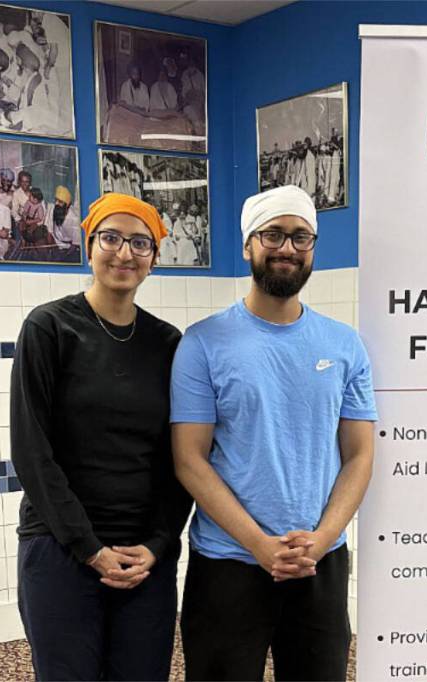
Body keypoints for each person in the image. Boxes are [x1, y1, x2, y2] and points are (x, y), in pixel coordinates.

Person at [171, 185, 377, 681]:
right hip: (229, 561)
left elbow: (359, 455)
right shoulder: (203, 343)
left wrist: (322, 539)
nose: (287, 247)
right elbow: (189, 460)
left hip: (318, 561)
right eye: (273, 235)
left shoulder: (344, 345)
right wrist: (259, 544)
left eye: (300, 237)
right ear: (248, 245)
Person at [11, 193, 192, 681]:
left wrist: (158, 543)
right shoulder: (49, 328)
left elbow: (181, 458)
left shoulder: (168, 344)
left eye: (140, 243)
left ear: (154, 258)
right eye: (111, 238)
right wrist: (89, 547)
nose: (124, 253)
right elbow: (31, 451)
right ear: (88, 246)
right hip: (60, 549)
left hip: (143, 558)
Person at [46, 185, 81, 262]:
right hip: (54, 245)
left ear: (67, 205)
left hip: (68, 250)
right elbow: (49, 232)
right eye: (56, 200)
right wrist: (52, 250)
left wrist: (63, 256)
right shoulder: (53, 209)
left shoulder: (74, 219)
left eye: (60, 202)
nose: (56, 203)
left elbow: (75, 245)